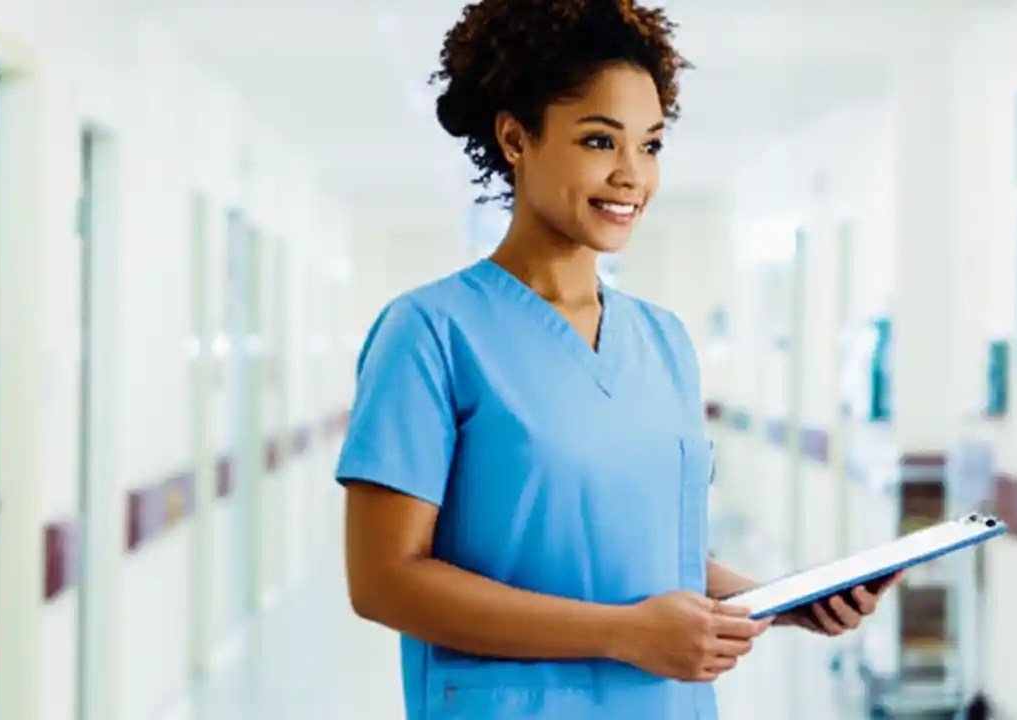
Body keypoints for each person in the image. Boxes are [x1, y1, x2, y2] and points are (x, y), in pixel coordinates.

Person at [337, 1, 900, 717]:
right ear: (515, 137)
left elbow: (650, 558)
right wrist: (624, 635)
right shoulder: (429, 333)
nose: (633, 174)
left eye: (652, 145)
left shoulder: (663, 342)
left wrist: (772, 602)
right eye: (601, 142)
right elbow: (384, 581)